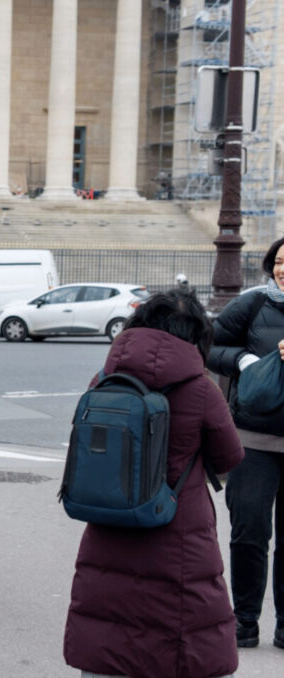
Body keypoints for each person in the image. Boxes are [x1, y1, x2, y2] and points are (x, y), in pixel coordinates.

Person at [65, 290, 244, 678]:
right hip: (178, 532)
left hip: (108, 526)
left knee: (107, 629)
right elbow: (229, 458)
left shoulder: (105, 378)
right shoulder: (201, 389)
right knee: (185, 638)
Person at [208, 235, 284, 651]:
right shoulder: (253, 303)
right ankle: (245, 620)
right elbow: (209, 343)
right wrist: (244, 360)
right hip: (253, 441)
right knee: (249, 534)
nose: (283, 270)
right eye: (279, 261)